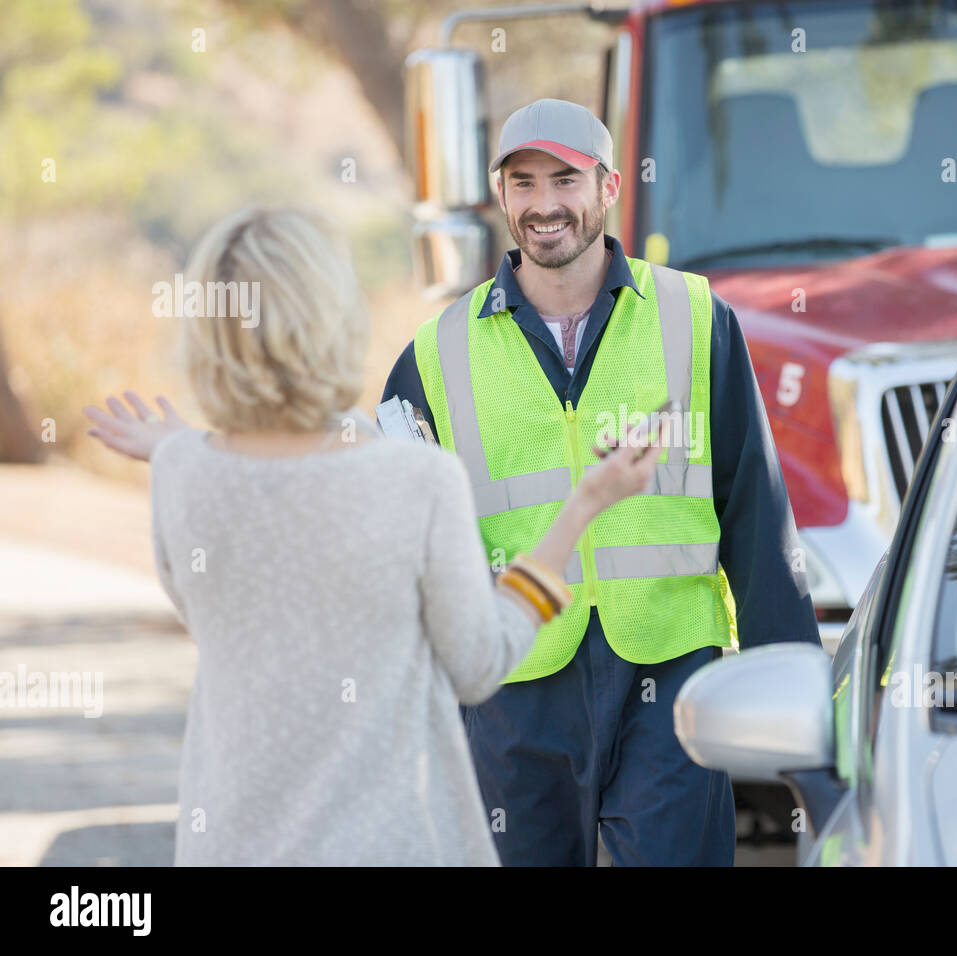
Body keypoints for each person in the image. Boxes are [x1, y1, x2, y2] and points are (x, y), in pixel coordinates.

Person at [83, 205, 664, 865]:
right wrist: (582, 507)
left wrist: (183, 444)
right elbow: (479, 662)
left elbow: (261, 520)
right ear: (332, 320)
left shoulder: (181, 474)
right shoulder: (415, 482)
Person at [380, 98, 820, 866]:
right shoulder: (434, 353)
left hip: (671, 672)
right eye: (522, 183)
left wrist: (800, 703)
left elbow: (753, 511)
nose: (545, 205)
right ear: (502, 197)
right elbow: (394, 535)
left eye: (565, 180)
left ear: (609, 187)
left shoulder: (694, 316)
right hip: (514, 685)